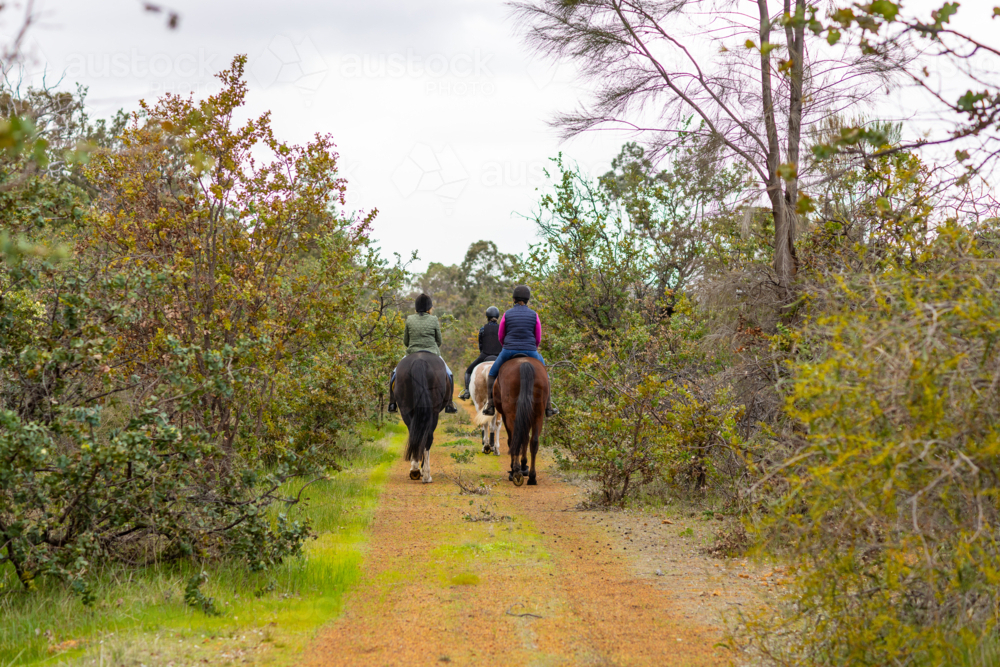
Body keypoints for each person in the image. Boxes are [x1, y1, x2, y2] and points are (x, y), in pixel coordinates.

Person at [481, 285, 558, 418]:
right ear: (528, 299)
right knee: (545, 375)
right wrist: (534, 347)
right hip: (531, 350)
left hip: (509, 350)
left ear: (514, 299)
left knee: (492, 373)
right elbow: (538, 336)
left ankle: (490, 405)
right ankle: (549, 406)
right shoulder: (534, 315)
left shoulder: (507, 314)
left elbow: (501, 335)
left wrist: (506, 346)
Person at [387, 293, 458, 414]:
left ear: (416, 307)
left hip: (412, 352)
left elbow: (406, 341)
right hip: (432, 351)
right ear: (429, 308)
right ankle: (449, 404)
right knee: (449, 374)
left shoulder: (409, 319)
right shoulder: (434, 319)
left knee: (394, 374)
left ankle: (392, 403)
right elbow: (439, 341)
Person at [458, 306, 503, 400]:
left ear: (487, 317)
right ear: (498, 317)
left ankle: (467, 391)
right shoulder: (502, 329)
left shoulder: (482, 329)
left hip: (485, 355)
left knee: (468, 371)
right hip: (499, 357)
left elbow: (481, 346)